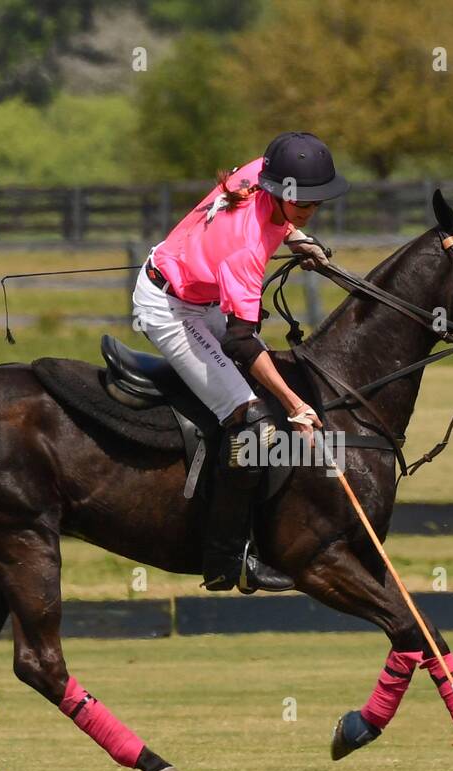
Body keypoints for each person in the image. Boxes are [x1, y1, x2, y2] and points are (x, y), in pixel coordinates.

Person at [131, 132, 349, 593]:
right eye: (301, 202)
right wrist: (296, 406)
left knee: (260, 398)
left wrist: (294, 235)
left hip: (198, 290)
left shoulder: (261, 172)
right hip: (171, 309)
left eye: (315, 200)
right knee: (254, 427)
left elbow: (273, 215)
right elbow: (242, 343)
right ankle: (227, 558)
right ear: (277, 190)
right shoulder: (245, 251)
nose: (310, 206)